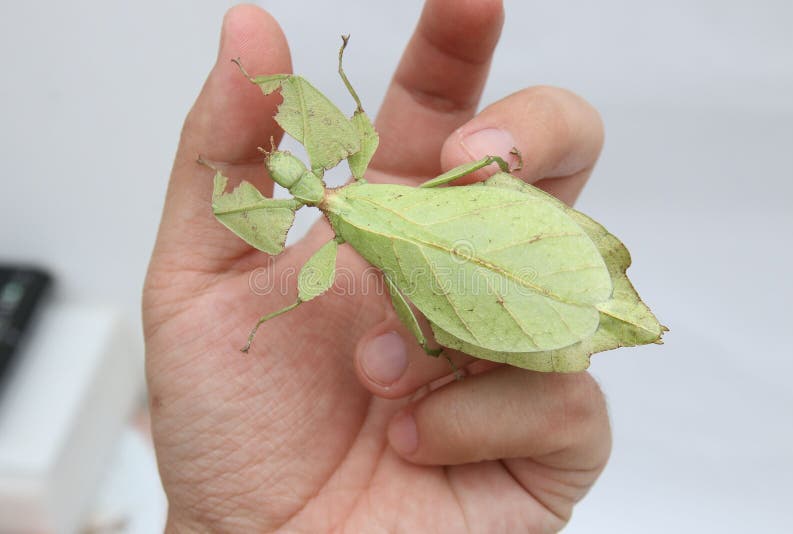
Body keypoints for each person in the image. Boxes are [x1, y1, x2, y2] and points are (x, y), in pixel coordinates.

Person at [143, 1, 610, 531]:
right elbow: (303, 285)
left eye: (282, 159)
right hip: (491, 266)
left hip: (518, 256)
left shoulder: (345, 196)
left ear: (295, 181)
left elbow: (303, 288)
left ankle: (571, 306)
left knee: (435, 336)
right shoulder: (357, 178)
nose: (282, 160)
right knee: (432, 337)